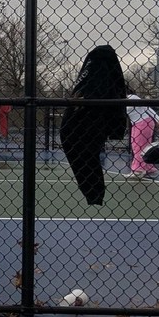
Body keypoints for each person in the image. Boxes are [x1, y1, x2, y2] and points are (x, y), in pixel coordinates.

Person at [59, 45, 127, 206]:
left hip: (87, 123)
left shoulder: (96, 69)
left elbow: (110, 93)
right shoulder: (95, 70)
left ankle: (94, 193)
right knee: (85, 154)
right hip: (84, 124)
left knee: (85, 154)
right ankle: (94, 193)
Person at [127, 92, 159, 179]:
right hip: (135, 123)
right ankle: (147, 167)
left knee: (139, 146)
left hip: (144, 122)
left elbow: (146, 108)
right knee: (136, 145)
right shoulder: (121, 100)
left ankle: (139, 170)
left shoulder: (132, 97)